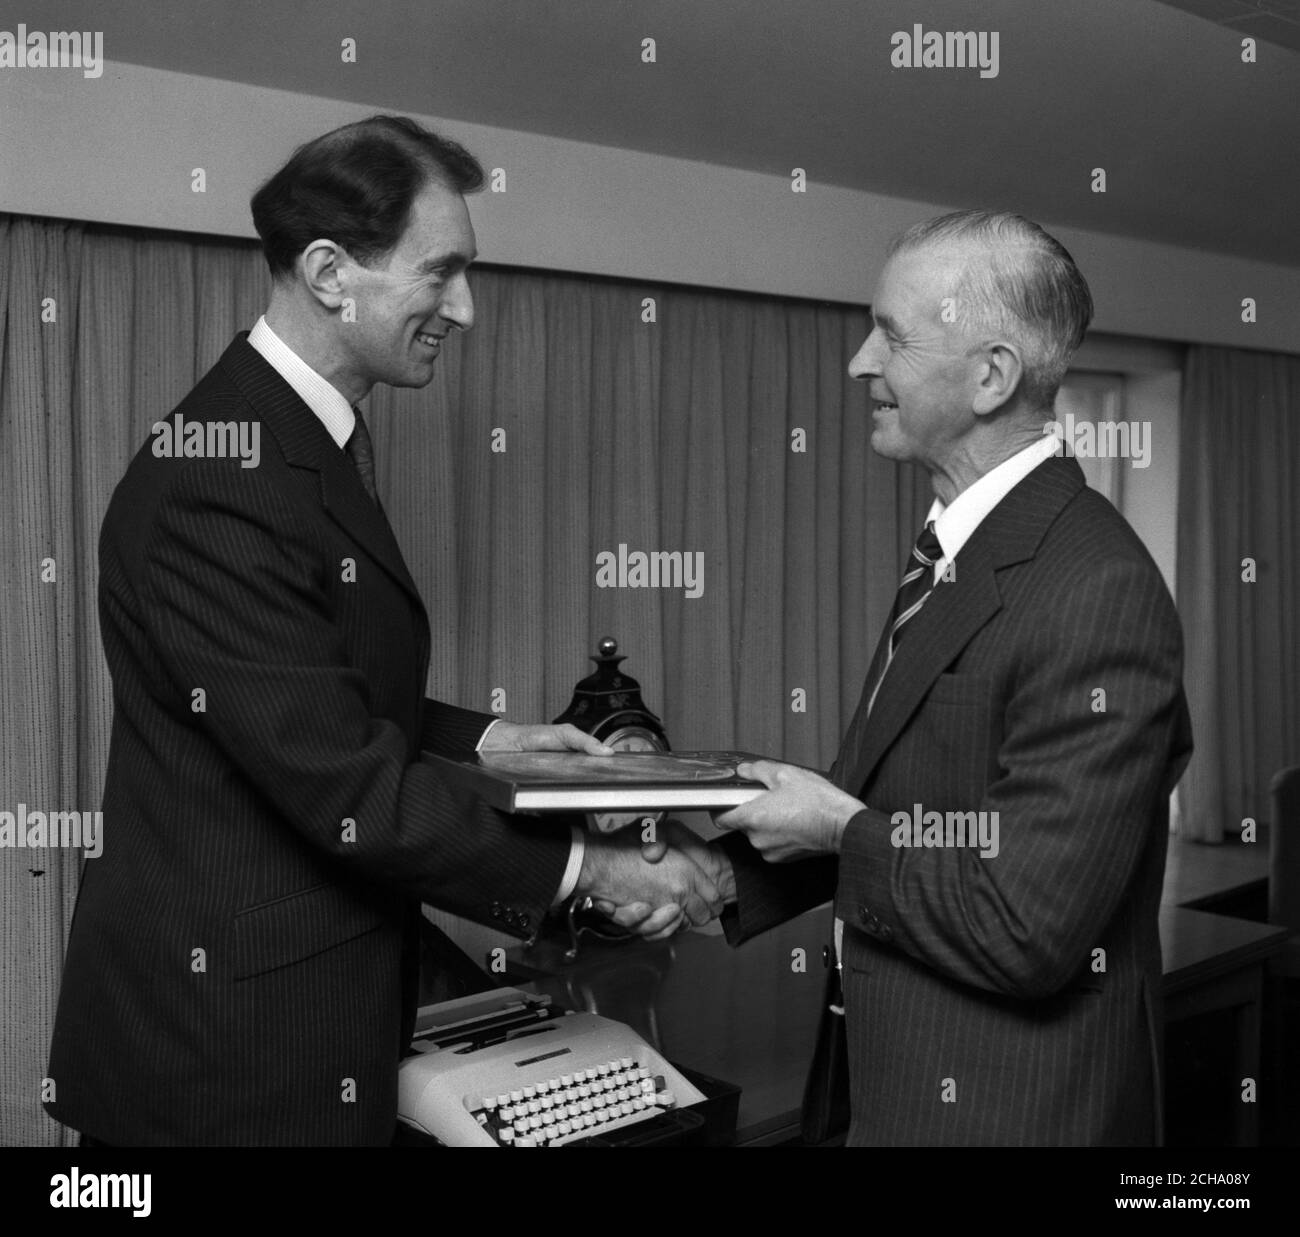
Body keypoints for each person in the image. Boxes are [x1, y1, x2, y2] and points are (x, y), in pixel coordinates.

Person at [44, 115, 718, 1147]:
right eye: (440, 272)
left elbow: (318, 687)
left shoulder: (295, 440)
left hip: (294, 1010)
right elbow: (345, 780)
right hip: (223, 1047)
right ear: (328, 272)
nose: (466, 307)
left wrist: (496, 741)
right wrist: (597, 870)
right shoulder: (218, 483)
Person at [672, 210, 1193, 1145]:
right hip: (892, 1079)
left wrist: (836, 823)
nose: (859, 362)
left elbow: (1024, 922)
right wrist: (714, 875)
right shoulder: (962, 546)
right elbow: (917, 801)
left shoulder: (1095, 586)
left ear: (991, 376)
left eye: (893, 336)